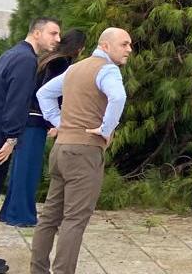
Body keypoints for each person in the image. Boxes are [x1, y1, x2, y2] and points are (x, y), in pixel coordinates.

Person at [31, 26, 132, 274]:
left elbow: (44, 93)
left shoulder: (75, 68)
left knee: (49, 217)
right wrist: (106, 129)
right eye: (124, 44)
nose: (129, 49)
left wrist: (59, 123)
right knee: (74, 220)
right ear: (106, 46)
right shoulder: (107, 69)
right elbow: (118, 98)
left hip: (62, 148)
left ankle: (38, 270)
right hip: (85, 152)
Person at [0, 16, 63, 273]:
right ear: (36, 33)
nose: (57, 39)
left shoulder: (12, 54)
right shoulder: (25, 60)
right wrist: (12, 138)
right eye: (53, 33)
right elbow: (16, 101)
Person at [0, 28, 85, 228]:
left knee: (21, 168)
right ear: (79, 47)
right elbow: (47, 92)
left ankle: (12, 211)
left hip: (27, 118)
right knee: (28, 169)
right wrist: (52, 121)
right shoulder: (61, 63)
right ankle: (21, 215)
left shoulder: (48, 58)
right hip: (35, 119)